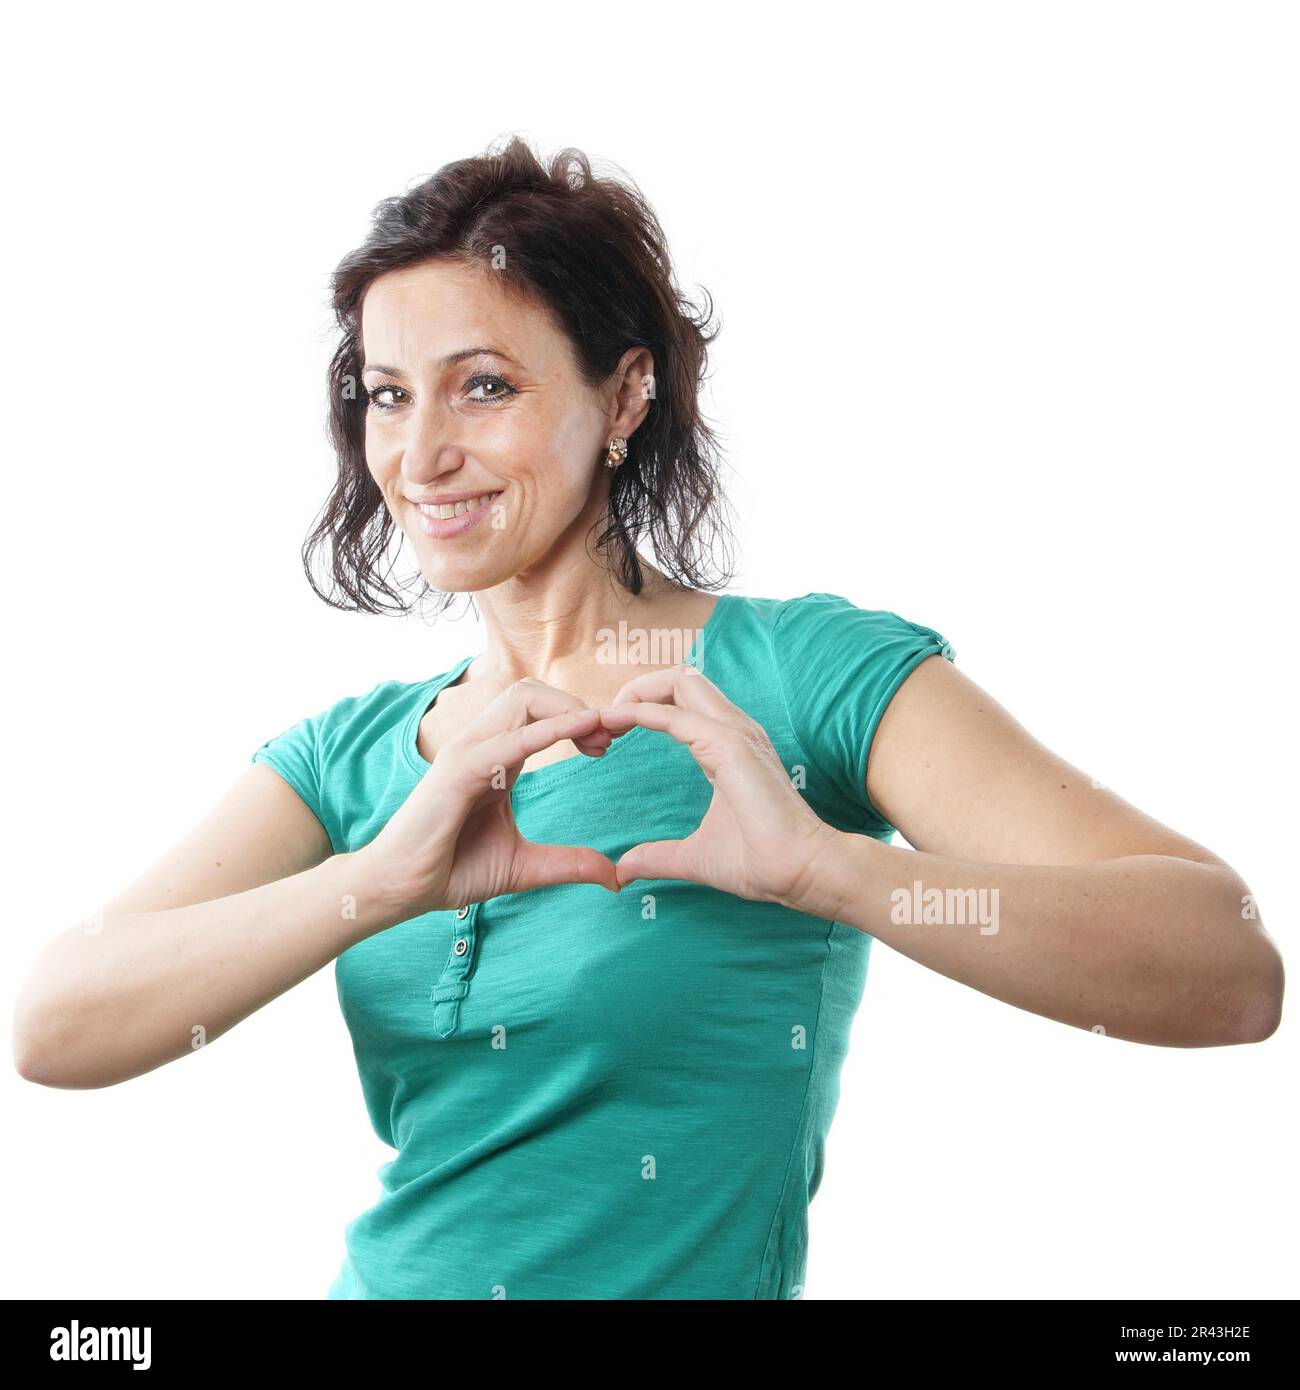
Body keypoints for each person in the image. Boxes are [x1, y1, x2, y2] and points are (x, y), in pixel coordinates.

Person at [13, 137, 1283, 1301]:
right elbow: (57, 1025)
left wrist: (828, 872)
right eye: (389, 394)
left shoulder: (799, 678)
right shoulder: (348, 757)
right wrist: (377, 881)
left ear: (625, 399)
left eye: (485, 386)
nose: (420, 453)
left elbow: (1224, 967)